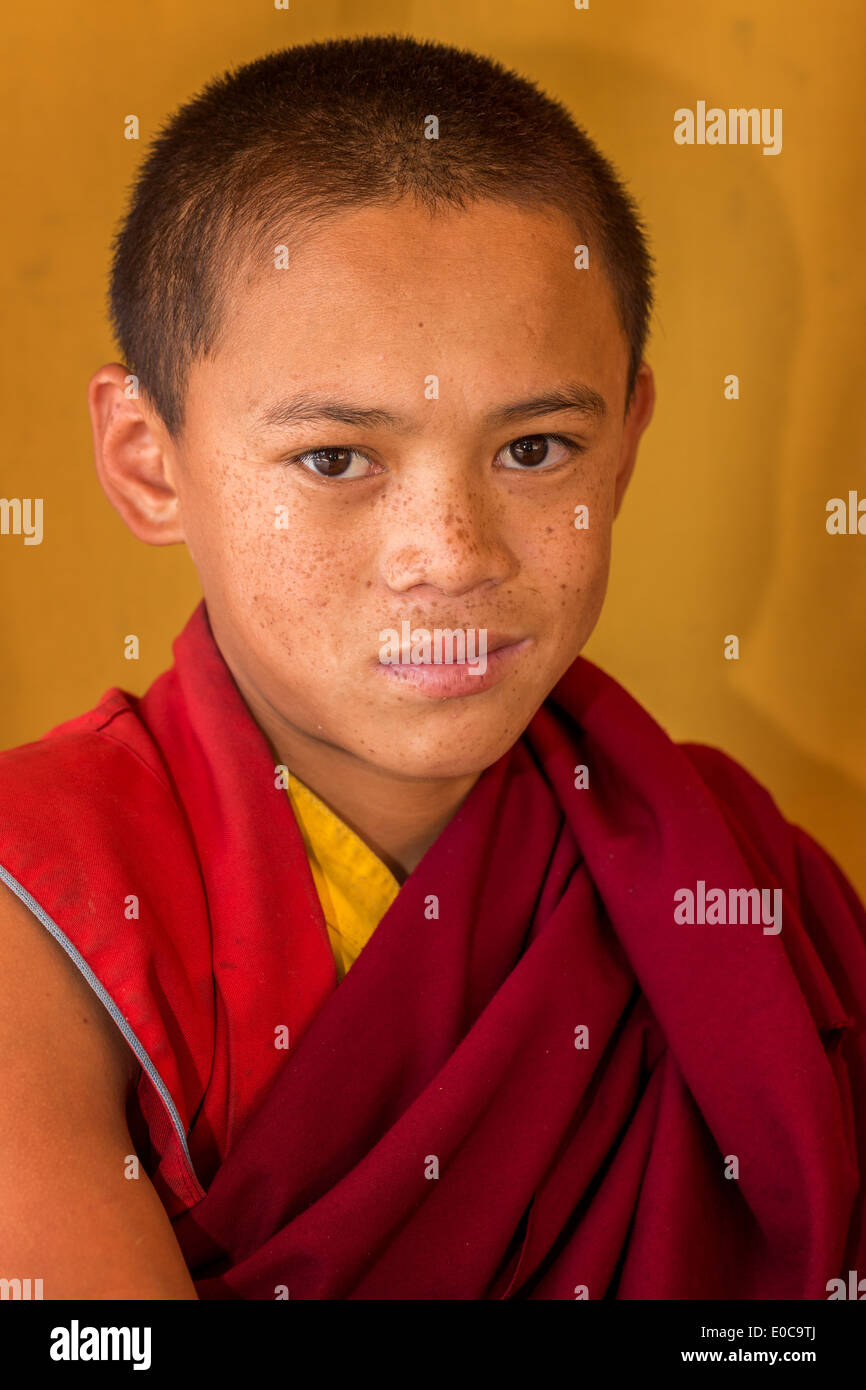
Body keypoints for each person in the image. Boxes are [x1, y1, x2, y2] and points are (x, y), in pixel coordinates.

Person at [1, 32, 864, 1301]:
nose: (450, 558)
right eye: (337, 458)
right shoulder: (45, 900)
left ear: (625, 441)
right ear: (146, 458)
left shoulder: (736, 880)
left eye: (534, 449)